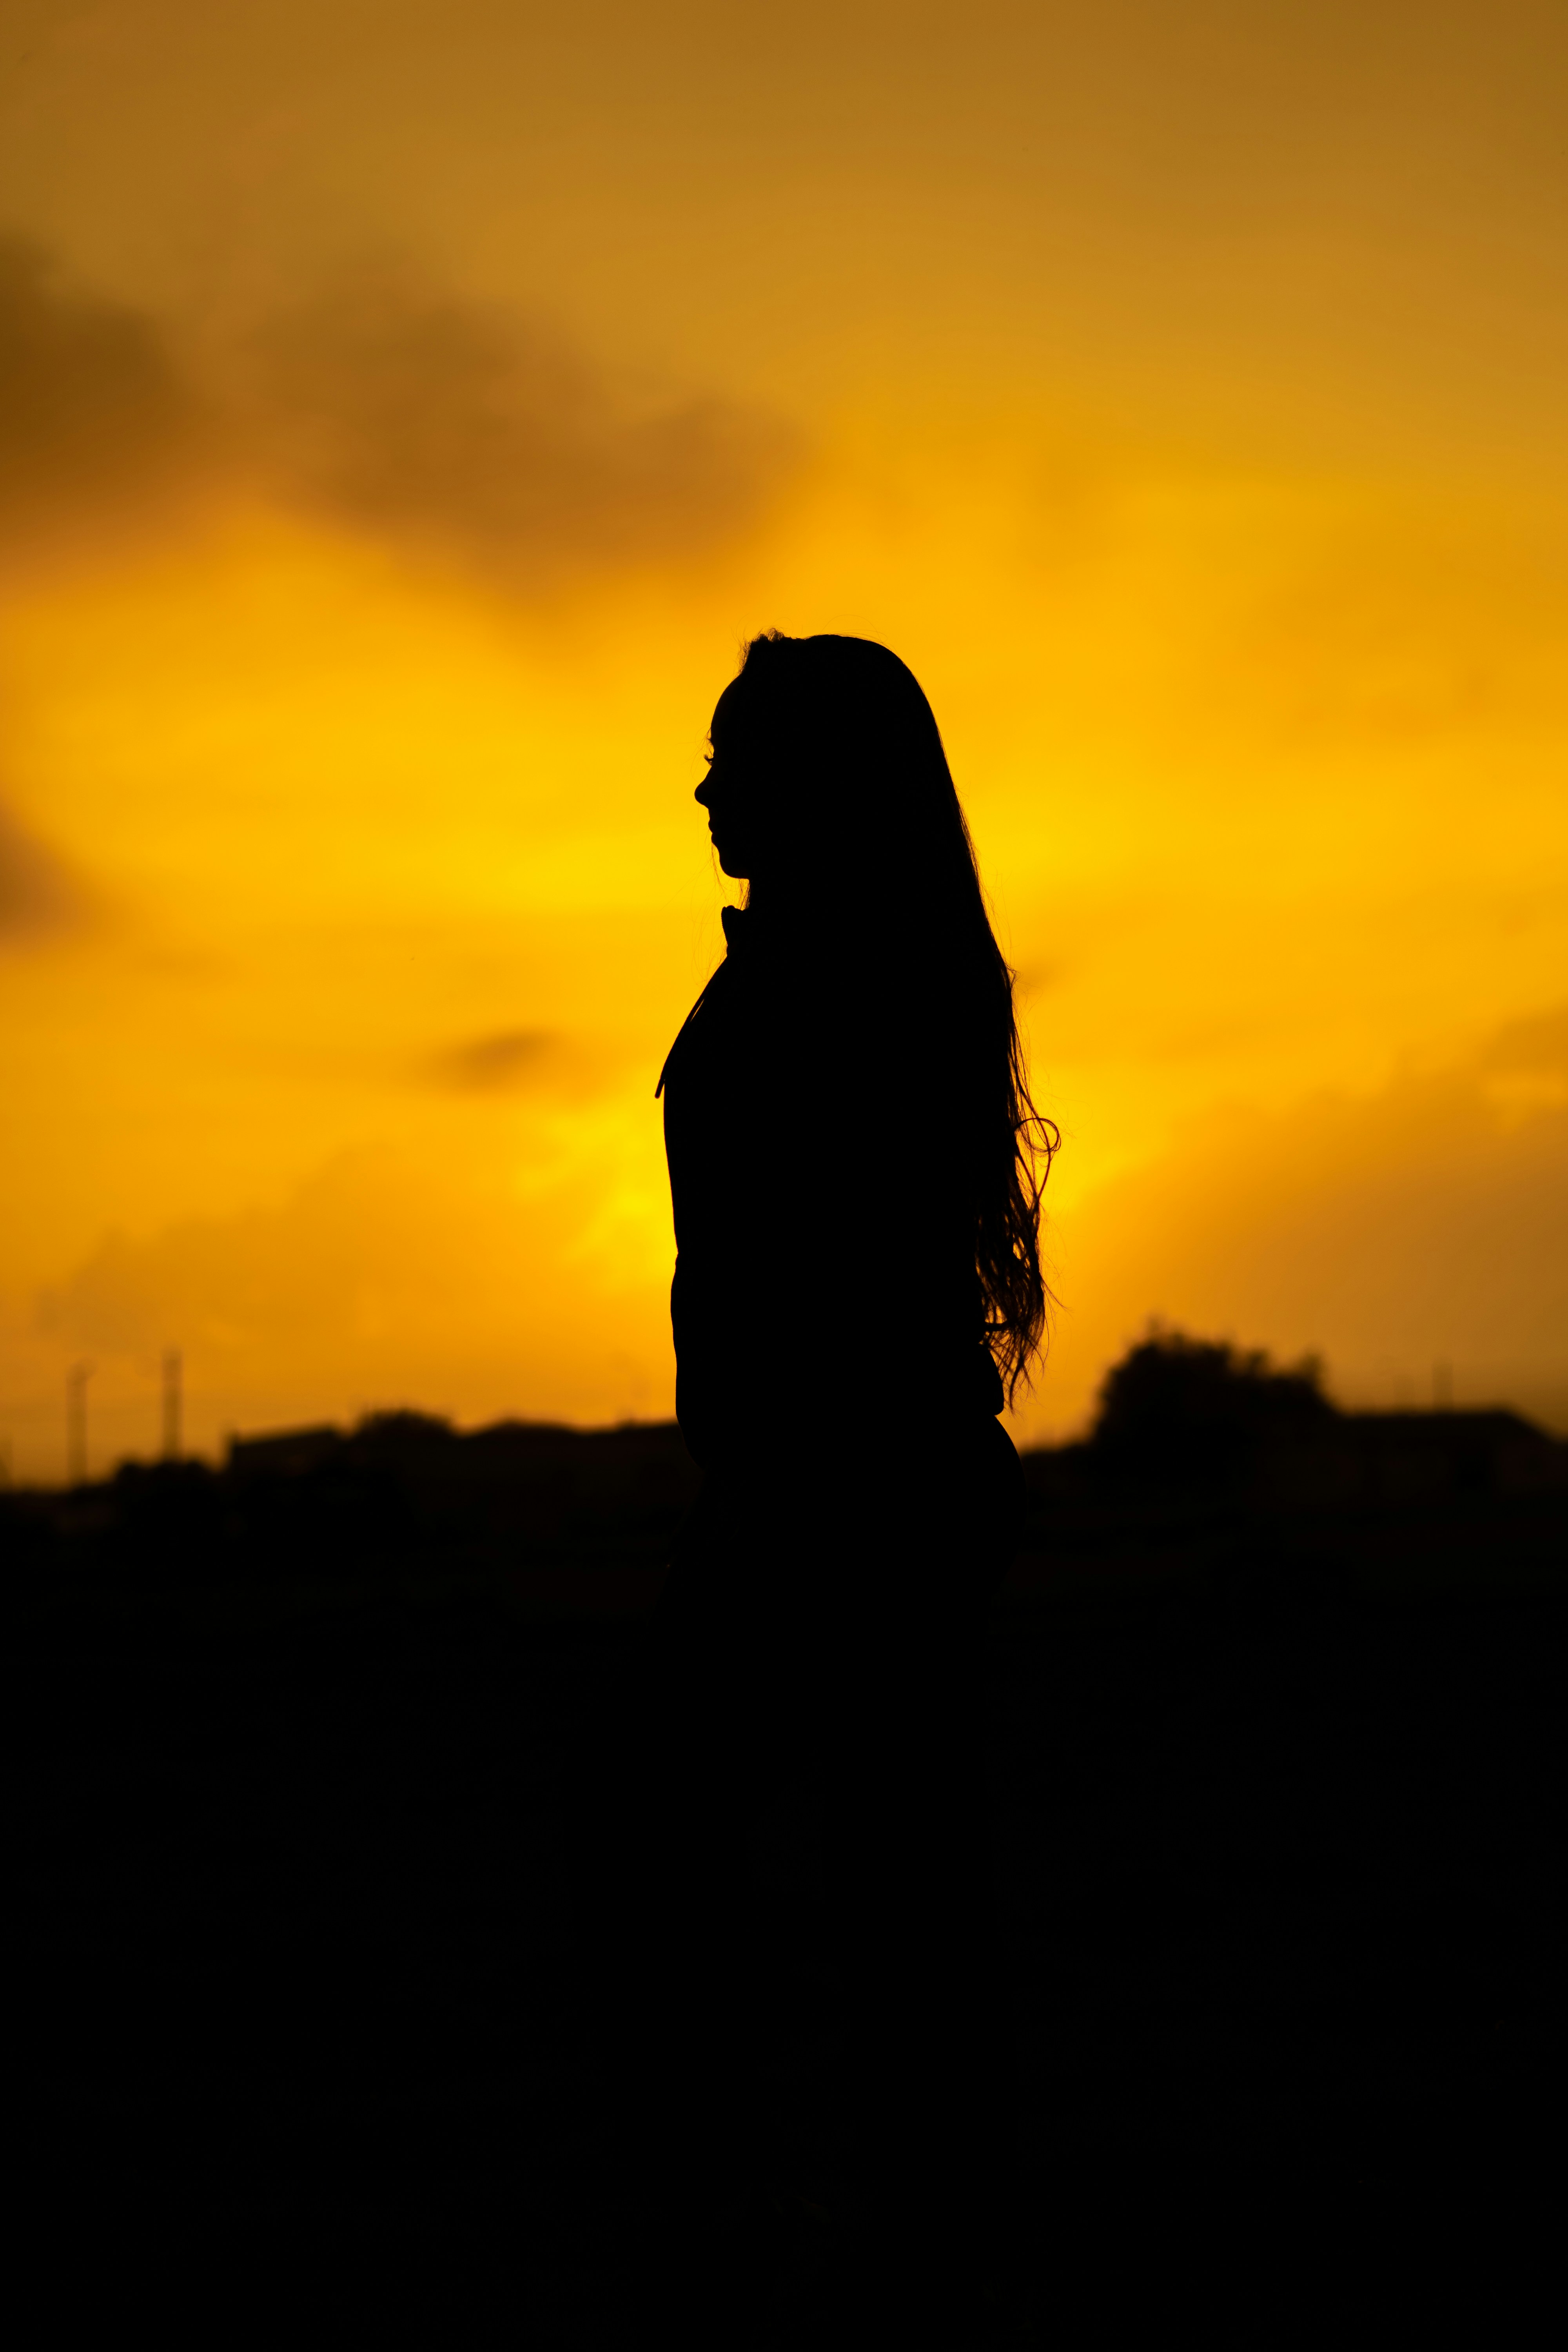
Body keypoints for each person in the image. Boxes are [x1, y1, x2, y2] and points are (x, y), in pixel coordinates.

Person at [626, 632, 1054, 2327]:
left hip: (831, 1494)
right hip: (861, 1487)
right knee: (891, 1886)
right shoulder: (863, 965)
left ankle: (804, 2235)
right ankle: (886, 2233)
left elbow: (824, 1281)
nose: (707, 788)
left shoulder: (829, 984)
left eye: (737, 757)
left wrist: (786, 1476)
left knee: (775, 1876)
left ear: (813, 786)